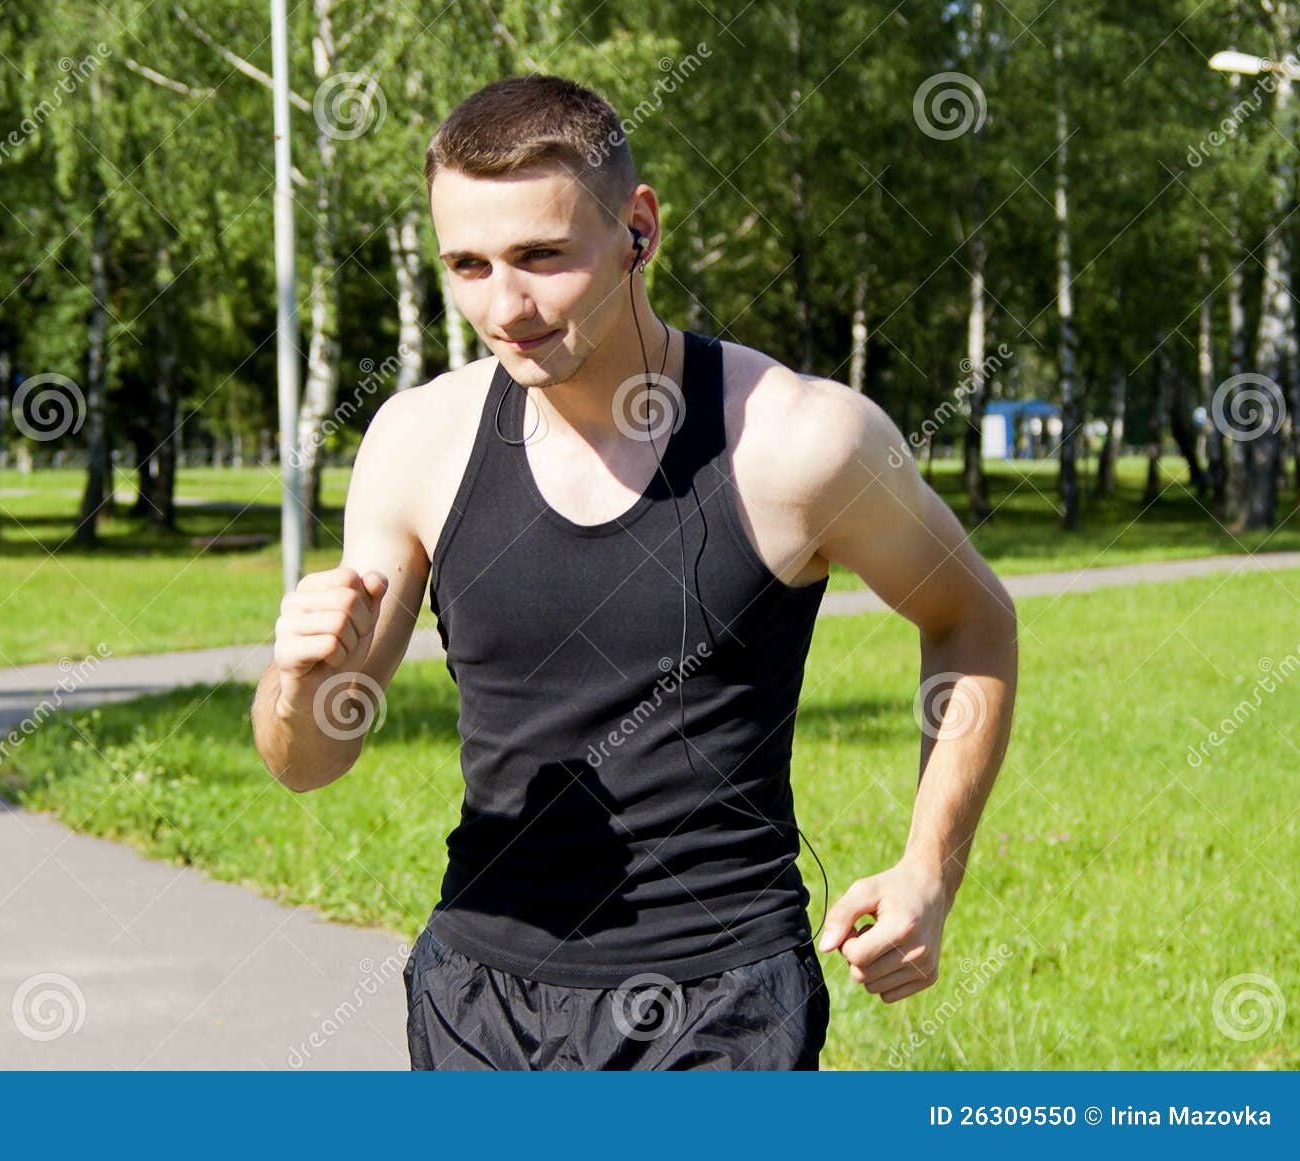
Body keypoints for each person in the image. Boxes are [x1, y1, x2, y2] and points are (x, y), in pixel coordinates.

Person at [251, 75, 1018, 1071]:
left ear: (638, 229)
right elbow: (306, 762)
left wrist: (930, 870)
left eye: (540, 257)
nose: (505, 305)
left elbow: (972, 620)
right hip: (475, 994)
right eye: (468, 265)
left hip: (721, 1004)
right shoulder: (417, 443)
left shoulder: (799, 441)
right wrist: (299, 682)